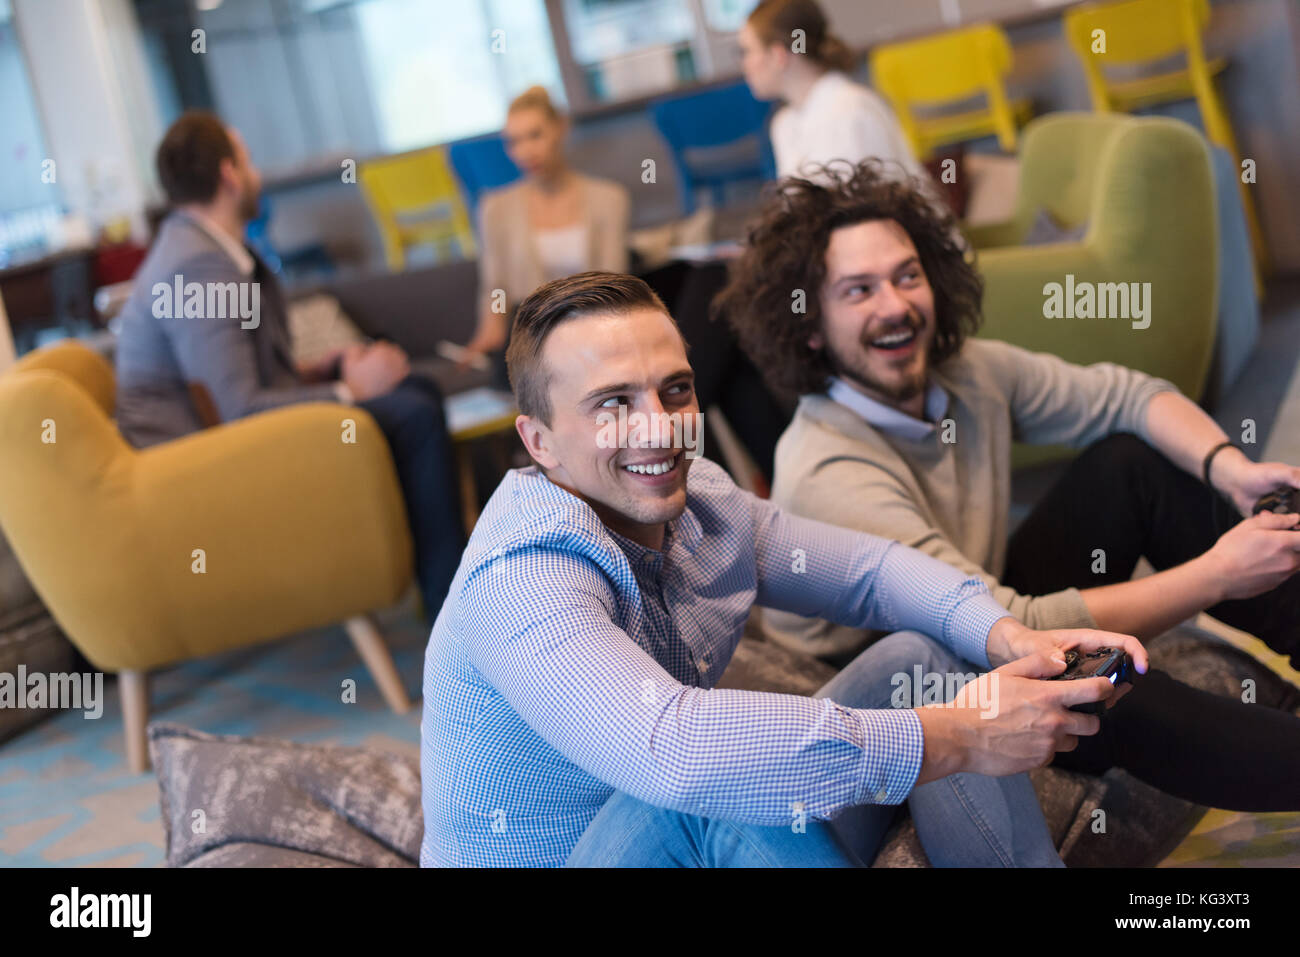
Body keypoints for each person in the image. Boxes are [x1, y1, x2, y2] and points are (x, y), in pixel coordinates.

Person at [419, 269, 1149, 868]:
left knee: (920, 660)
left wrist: (1005, 635)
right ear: (539, 441)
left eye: (674, 389)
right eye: (613, 403)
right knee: (710, 790)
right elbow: (677, 753)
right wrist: (955, 734)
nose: (662, 426)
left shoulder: (698, 501)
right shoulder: (522, 578)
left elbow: (872, 570)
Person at [715, 159, 1300, 812]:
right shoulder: (828, 467)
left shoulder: (968, 372)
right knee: (1111, 689)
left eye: (908, 276)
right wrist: (1216, 574)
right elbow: (1008, 625)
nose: (896, 305)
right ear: (811, 326)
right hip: (908, 683)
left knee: (1127, 465)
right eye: (858, 290)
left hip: (983, 601)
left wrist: (1232, 468)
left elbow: (1129, 397)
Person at [114, 110, 465, 619]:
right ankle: (452, 613)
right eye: (248, 161)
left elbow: (235, 380)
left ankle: (443, 593)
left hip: (223, 438)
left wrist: (322, 371)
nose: (256, 174)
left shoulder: (206, 250)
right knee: (411, 414)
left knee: (417, 392)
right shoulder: (194, 266)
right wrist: (351, 392)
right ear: (229, 175)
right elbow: (236, 408)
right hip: (200, 470)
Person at [460, 86, 630, 367]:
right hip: (530, 338)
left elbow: (613, 285)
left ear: (560, 128)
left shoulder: (610, 199)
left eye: (535, 135)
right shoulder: (495, 208)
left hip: (595, 330)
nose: (525, 151)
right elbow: (496, 288)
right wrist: (488, 332)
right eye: (514, 142)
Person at [739, 0, 924, 184]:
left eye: (747, 51)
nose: (744, 65)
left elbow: (863, 209)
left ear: (778, 56)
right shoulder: (785, 123)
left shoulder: (849, 112)